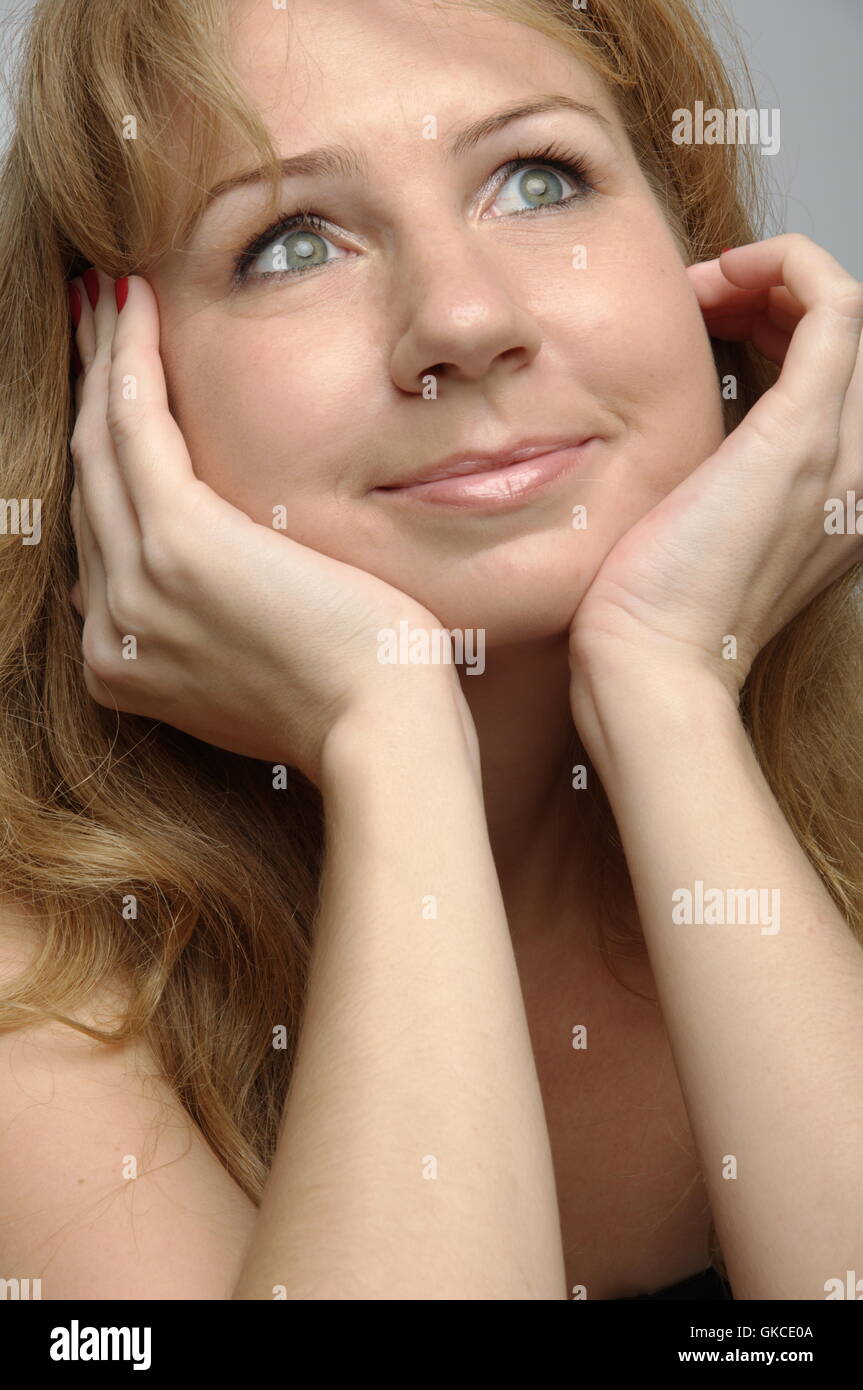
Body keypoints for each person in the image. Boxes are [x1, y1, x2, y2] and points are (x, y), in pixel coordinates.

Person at [0, 0, 861, 1302]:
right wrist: (388, 730)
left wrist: (667, 687)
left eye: (538, 177)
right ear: (113, 388)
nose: (462, 318)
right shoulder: (36, 970)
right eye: (291, 242)